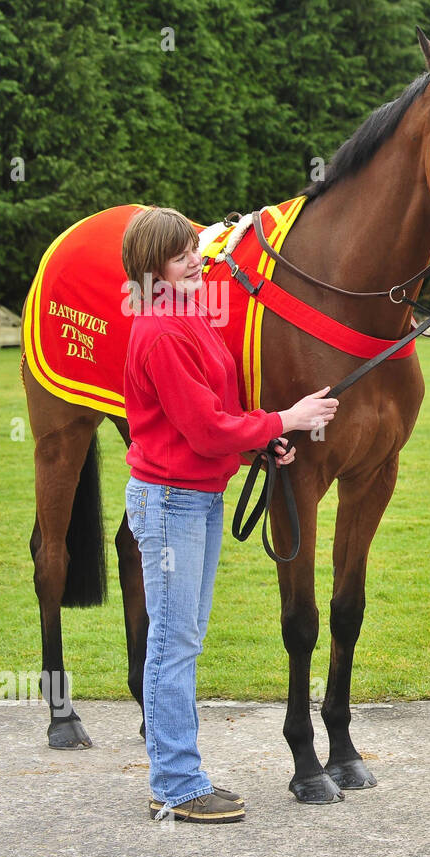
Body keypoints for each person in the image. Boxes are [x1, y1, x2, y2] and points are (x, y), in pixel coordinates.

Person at [121, 207, 339, 823]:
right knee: (172, 641)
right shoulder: (162, 330)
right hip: (170, 501)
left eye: (194, 249)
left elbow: (216, 415)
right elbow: (203, 426)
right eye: (180, 254)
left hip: (194, 496)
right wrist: (284, 421)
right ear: (150, 267)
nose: (196, 260)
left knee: (182, 637)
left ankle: (179, 774)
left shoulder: (186, 316)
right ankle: (178, 784)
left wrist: (259, 442)